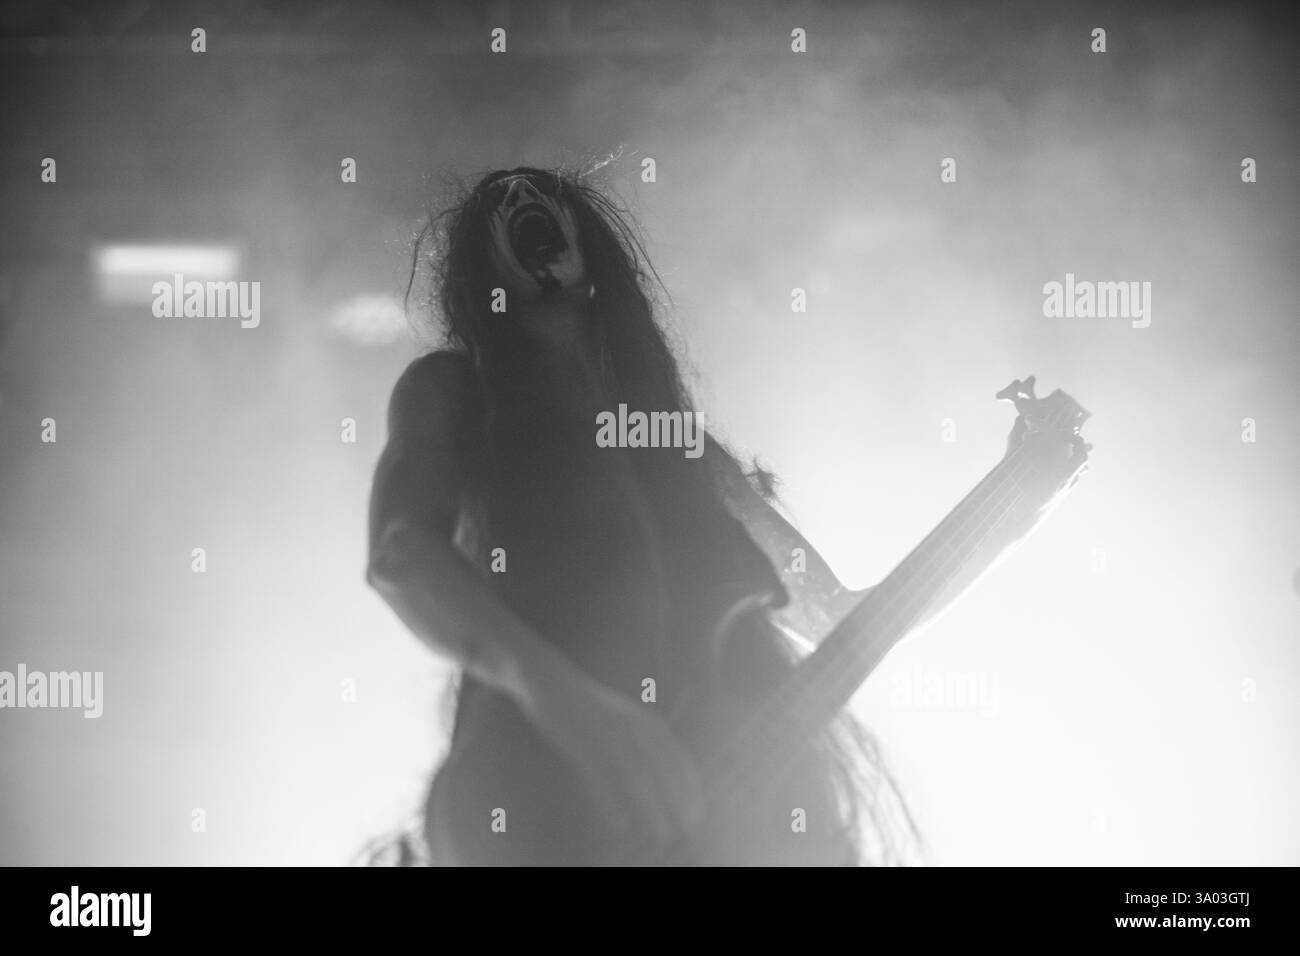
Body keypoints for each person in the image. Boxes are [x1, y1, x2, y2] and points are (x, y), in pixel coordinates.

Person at [365, 166, 1056, 865]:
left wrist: (1014, 505)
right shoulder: (453, 392)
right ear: (484, 283)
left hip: (722, 815)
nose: (522, 200)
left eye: (544, 195)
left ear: (594, 259)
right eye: (501, 206)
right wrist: (566, 701)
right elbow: (402, 557)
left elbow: (834, 618)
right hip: (544, 801)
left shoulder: (676, 443)